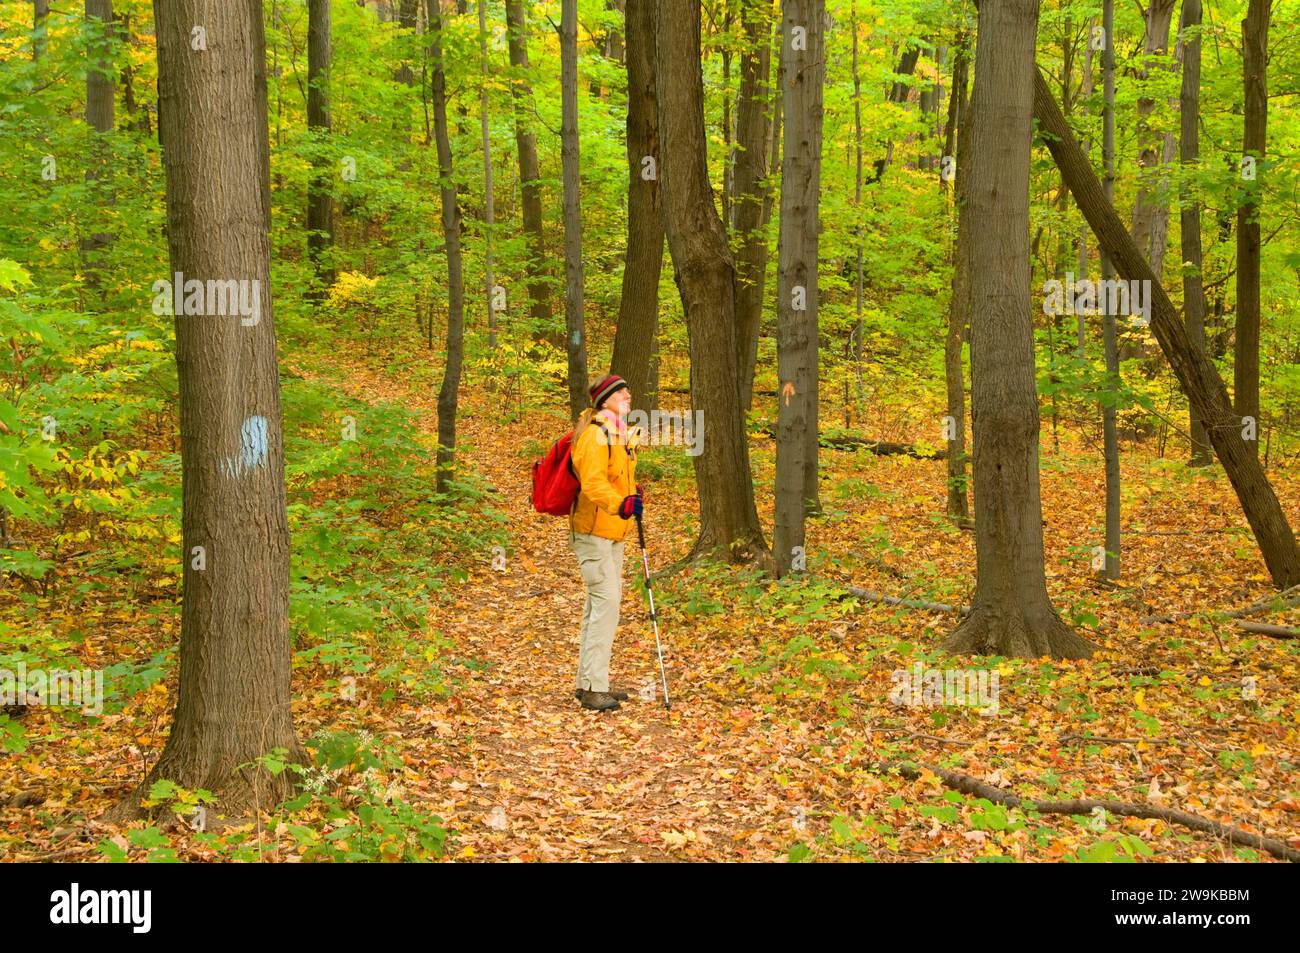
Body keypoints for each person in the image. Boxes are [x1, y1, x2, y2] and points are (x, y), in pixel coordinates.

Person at [568, 374, 644, 711]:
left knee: (599, 606)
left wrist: (632, 495)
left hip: (614, 532)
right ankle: (595, 687)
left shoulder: (618, 434)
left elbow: (616, 479)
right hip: (593, 531)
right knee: (606, 605)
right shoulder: (596, 435)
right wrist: (620, 503)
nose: (629, 394)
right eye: (621, 391)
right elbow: (593, 483)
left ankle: (589, 684)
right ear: (606, 399)